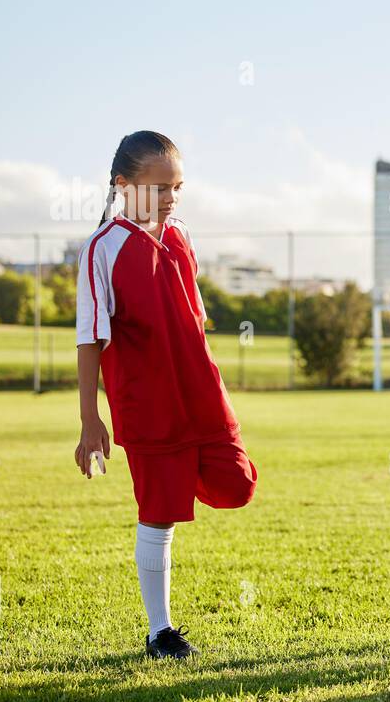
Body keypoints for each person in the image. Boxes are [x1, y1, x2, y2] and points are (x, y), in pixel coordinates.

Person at [74, 131, 257, 660]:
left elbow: (195, 314)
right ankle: (161, 631)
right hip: (147, 400)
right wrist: (91, 421)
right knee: (160, 511)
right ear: (123, 185)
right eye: (158, 188)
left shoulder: (180, 233)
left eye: (176, 186)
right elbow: (90, 339)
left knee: (237, 484)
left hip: (201, 390)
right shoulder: (102, 248)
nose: (170, 198)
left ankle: (180, 475)